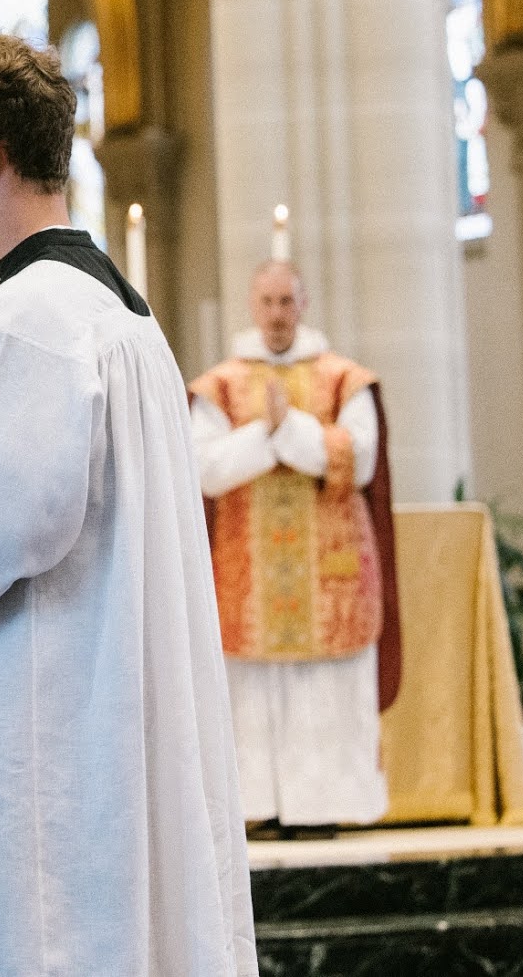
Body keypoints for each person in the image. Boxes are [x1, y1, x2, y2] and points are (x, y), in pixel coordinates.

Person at [0, 28, 254, 975]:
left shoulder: (30, 319)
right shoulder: (117, 311)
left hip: (44, 712)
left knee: (36, 928)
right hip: (108, 691)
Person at [190, 259, 396, 835]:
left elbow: (360, 459)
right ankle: (257, 806)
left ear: (303, 305)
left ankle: (324, 806)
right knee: (251, 698)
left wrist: (289, 432)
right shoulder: (221, 385)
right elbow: (203, 469)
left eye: (287, 301)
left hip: (327, 572)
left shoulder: (344, 379)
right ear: (252, 306)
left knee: (321, 695)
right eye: (268, 302)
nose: (277, 314)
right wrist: (268, 433)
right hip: (247, 570)